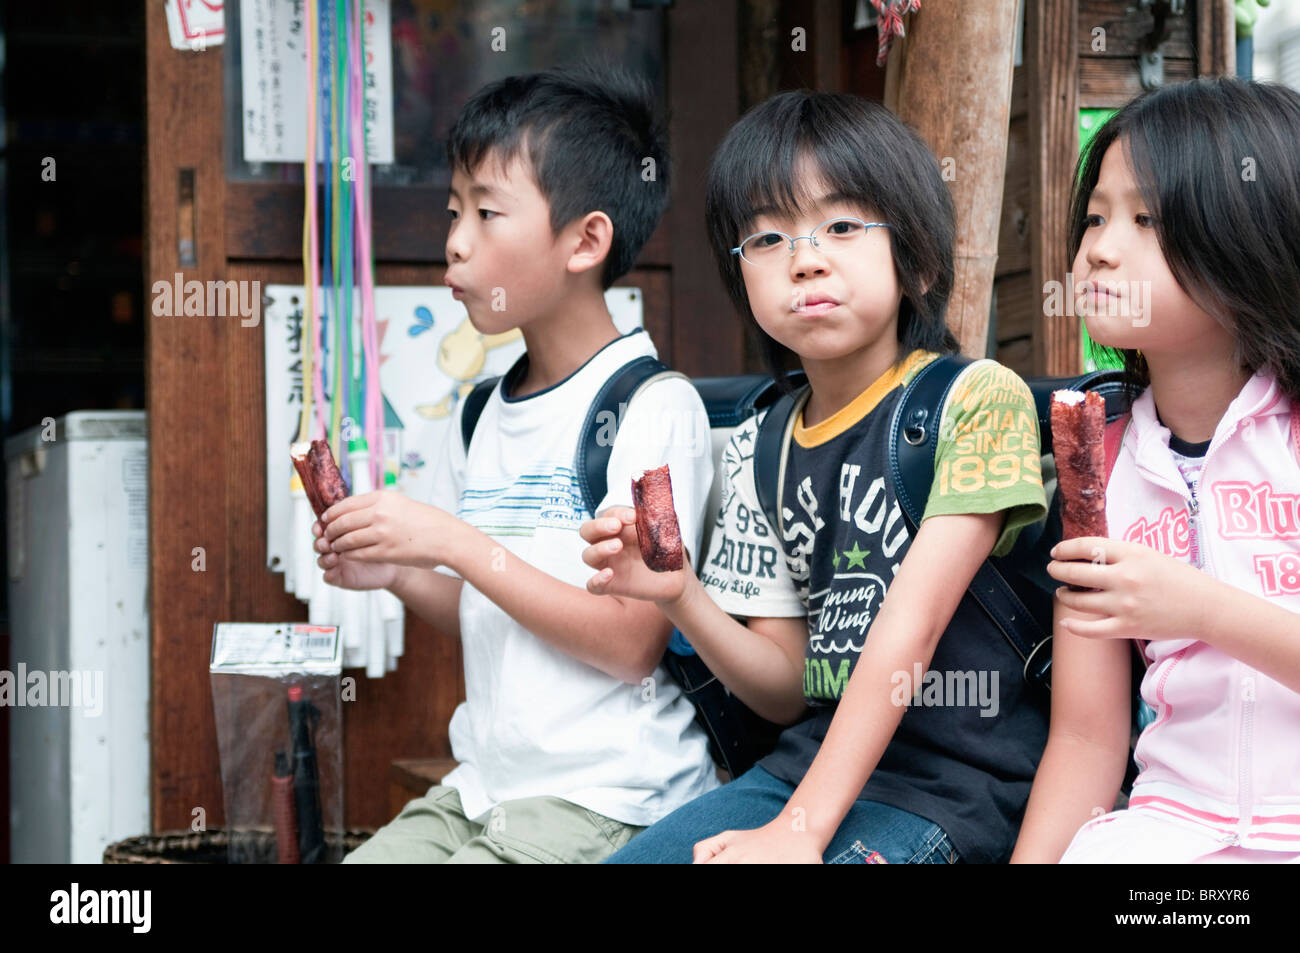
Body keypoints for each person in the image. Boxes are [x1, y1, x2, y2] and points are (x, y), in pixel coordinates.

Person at [583, 90, 1049, 864]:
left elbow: (910, 632)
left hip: (951, 789)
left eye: (841, 225)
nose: (805, 256)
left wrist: (801, 832)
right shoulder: (761, 441)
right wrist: (680, 595)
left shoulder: (974, 401)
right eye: (767, 237)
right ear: (743, 282)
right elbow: (789, 688)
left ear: (920, 260)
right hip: (800, 773)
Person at [320, 63, 718, 864]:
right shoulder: (481, 410)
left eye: (487, 213)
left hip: (608, 799)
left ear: (586, 240)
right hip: (484, 789)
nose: (456, 241)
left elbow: (632, 641)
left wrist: (451, 540)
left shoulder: (653, 409)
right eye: (453, 210)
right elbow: (474, 597)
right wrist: (397, 572)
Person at [1011, 77, 1300, 864]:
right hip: (1171, 837)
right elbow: (1084, 737)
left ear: (1250, 235)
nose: (1099, 247)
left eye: (1145, 219)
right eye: (1097, 216)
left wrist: (1199, 608)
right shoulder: (1096, 465)